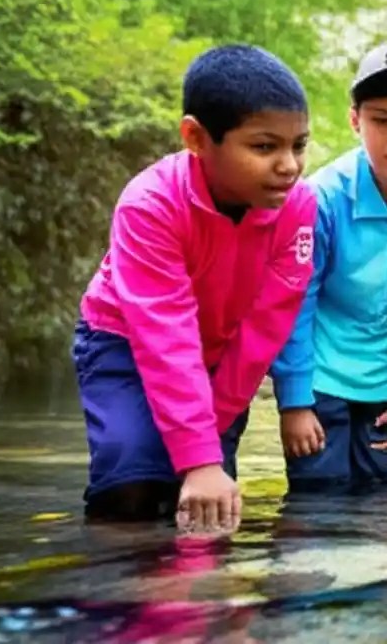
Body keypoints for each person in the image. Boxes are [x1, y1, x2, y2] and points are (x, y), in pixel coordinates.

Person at [73, 45, 314, 530]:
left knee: (207, 507)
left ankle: (202, 600)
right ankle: (114, 595)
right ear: (197, 138)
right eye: (265, 147)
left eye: (299, 145)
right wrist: (198, 459)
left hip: (224, 358)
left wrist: (204, 456)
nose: (288, 165)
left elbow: (262, 334)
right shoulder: (149, 205)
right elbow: (163, 334)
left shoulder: (298, 209)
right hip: (123, 342)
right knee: (131, 484)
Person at [270, 42, 387, 491]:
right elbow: (295, 300)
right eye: (381, 120)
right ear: (356, 120)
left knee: (376, 505)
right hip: (319, 380)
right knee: (317, 503)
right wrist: (294, 401)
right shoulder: (321, 199)